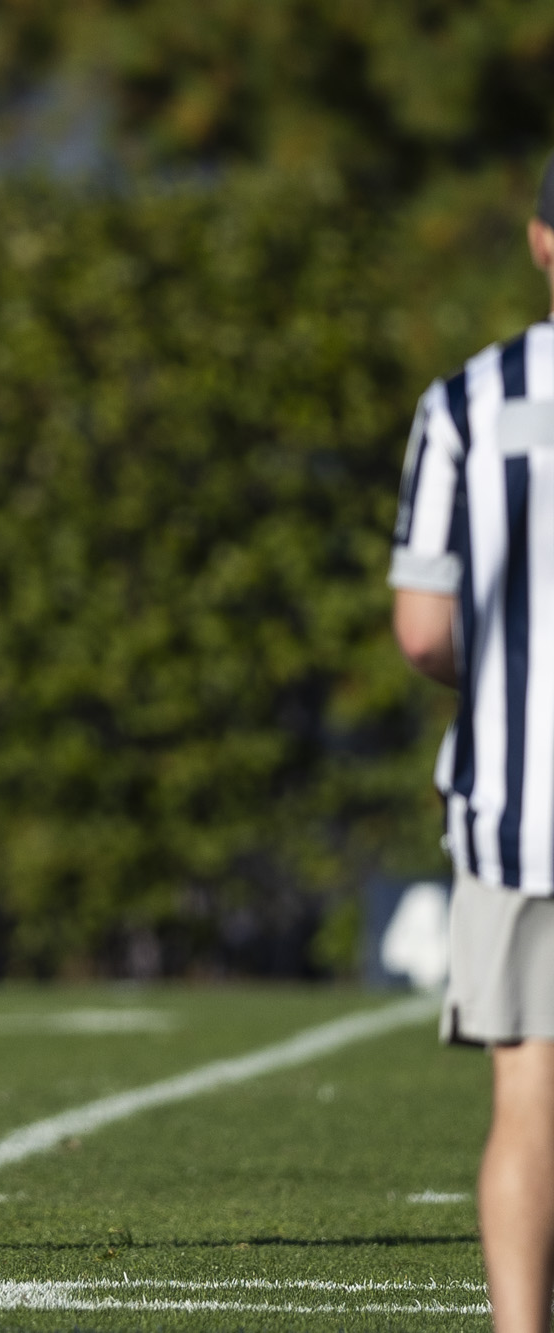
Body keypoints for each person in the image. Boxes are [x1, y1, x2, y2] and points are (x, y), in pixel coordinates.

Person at [392, 154, 554, 1333]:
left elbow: (422, 630)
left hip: (519, 797)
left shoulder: (466, 401)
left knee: (528, 1094)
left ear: (540, 242)